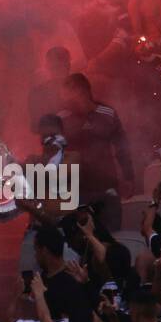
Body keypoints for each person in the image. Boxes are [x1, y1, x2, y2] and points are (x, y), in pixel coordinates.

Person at [57, 74, 134, 227]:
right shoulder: (61, 118)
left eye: (69, 96)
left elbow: (122, 148)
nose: (65, 101)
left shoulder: (107, 114)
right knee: (79, 240)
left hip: (106, 187)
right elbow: (53, 155)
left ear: (84, 93)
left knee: (110, 236)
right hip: (75, 190)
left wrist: (129, 177)